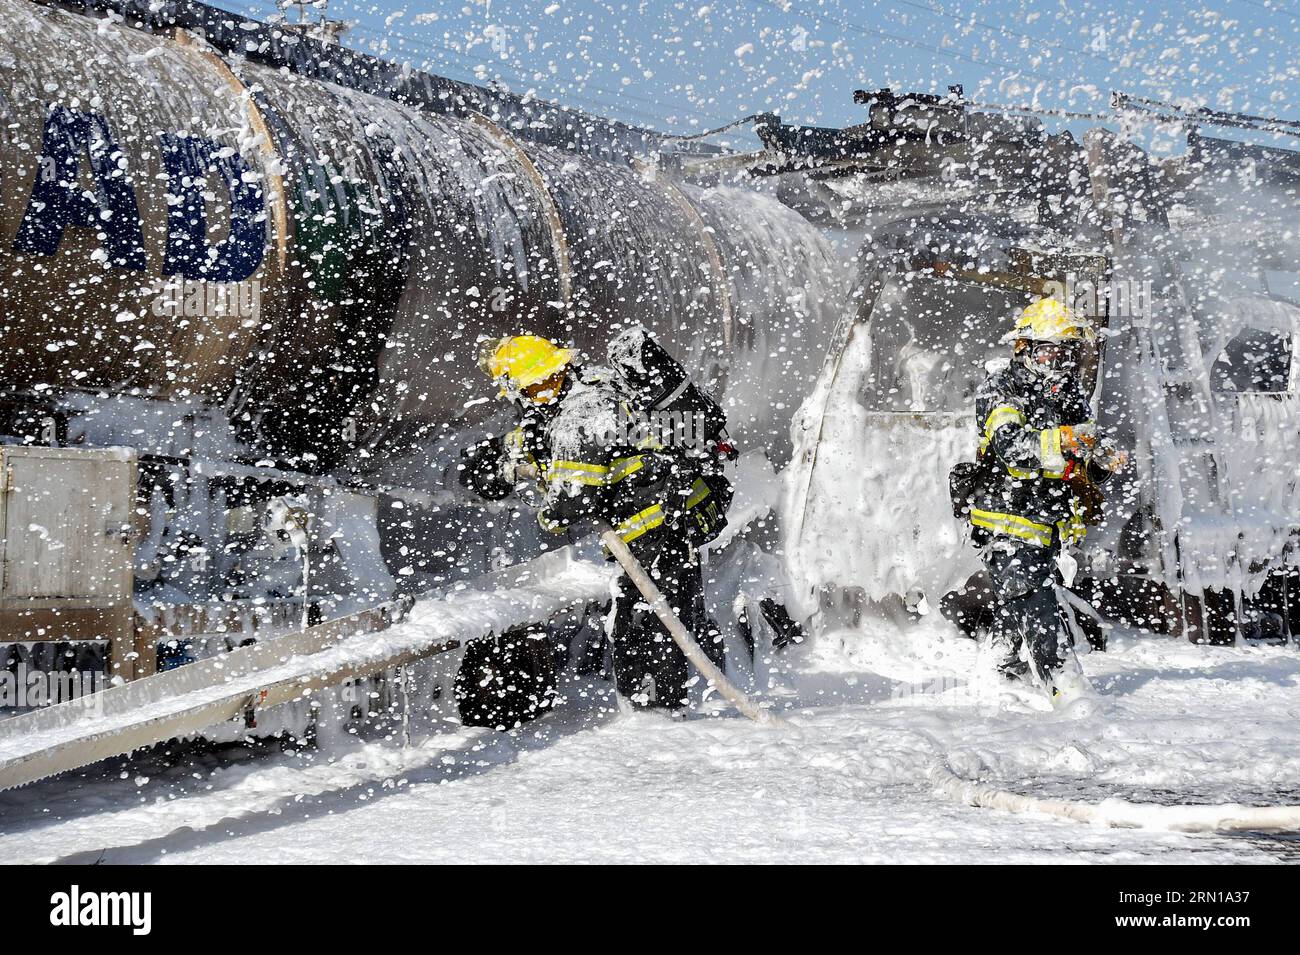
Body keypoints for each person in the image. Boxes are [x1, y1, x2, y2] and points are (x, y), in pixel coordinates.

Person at [460, 334, 727, 712]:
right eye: (535, 386)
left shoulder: (577, 417)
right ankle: (673, 699)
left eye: (547, 381)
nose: (542, 392)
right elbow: (556, 438)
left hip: (650, 529)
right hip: (674, 515)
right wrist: (501, 456)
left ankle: (658, 715)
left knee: (645, 627)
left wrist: (546, 511)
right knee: (671, 616)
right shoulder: (599, 386)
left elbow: (571, 502)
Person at [965, 298, 1126, 703]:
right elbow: (1012, 447)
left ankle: (999, 669)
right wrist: (1064, 440)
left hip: (1045, 518)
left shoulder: (1066, 391)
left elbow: (1080, 453)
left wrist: (1101, 461)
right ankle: (1067, 689)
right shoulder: (1001, 388)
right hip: (1004, 514)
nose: (1057, 361)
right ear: (1023, 348)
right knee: (1033, 599)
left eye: (1066, 352)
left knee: (1020, 594)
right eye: (1048, 350)